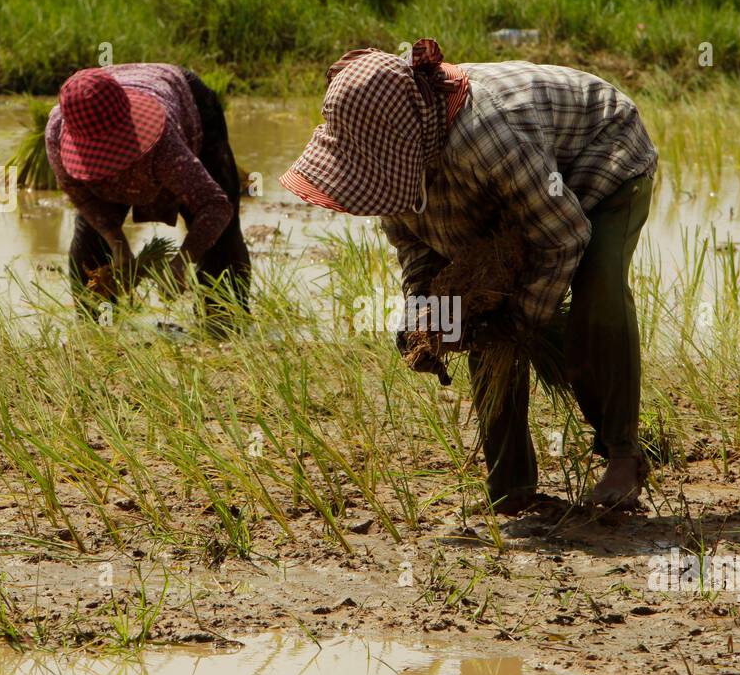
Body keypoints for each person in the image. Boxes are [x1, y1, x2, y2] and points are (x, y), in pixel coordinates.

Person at [281, 40, 657, 514]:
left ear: (400, 143)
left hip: (602, 152)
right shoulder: (392, 166)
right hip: (525, 182)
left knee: (595, 288)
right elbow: (418, 249)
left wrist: (522, 321)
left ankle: (623, 455)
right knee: (479, 317)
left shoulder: (487, 134)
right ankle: (511, 487)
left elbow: (564, 236)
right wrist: (425, 319)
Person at [45, 63, 250, 317]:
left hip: (183, 97)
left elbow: (215, 206)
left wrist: (182, 262)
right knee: (90, 237)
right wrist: (117, 244)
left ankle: (223, 324)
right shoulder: (57, 132)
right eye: (103, 159)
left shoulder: (164, 139)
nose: (112, 168)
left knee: (222, 240)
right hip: (112, 104)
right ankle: (98, 331)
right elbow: (80, 195)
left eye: (116, 153)